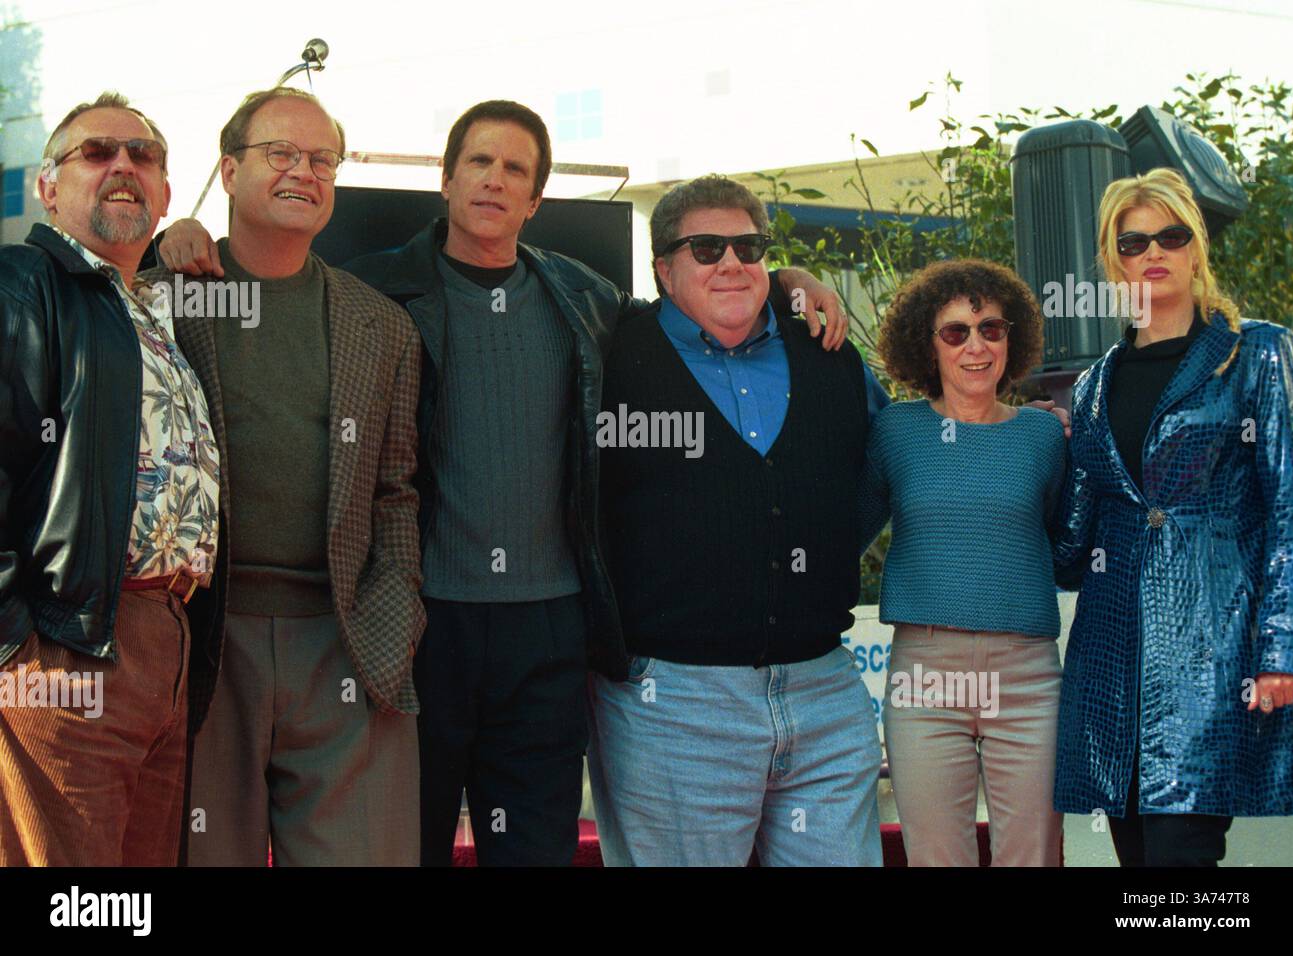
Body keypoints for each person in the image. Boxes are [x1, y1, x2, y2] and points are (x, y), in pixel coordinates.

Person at [159, 100, 847, 866]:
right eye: (479, 163)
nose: (494, 181)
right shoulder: (376, 293)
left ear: (537, 199)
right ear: (446, 180)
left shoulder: (586, 301)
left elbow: (697, 303)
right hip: (417, 625)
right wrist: (178, 240)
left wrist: (783, 276)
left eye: (515, 169)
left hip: (550, 631)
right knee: (395, 845)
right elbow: (264, 280)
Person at [145, 87, 424, 866]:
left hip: (348, 644)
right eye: (282, 154)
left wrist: (396, 609)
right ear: (229, 171)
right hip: (202, 643)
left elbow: (397, 488)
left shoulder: (382, 325)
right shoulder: (164, 301)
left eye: (322, 159)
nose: (306, 171)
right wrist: (165, 242)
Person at [587, 174, 888, 866]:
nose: (731, 262)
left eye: (750, 248)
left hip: (824, 694)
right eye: (706, 247)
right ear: (663, 267)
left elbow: (878, 476)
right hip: (672, 703)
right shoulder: (608, 355)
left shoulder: (829, 351)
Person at [1053, 167, 1293, 866]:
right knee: (1138, 861)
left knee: (1181, 856)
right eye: (1133, 243)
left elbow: (1291, 502)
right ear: (1112, 261)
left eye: (1171, 234)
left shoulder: (1253, 352)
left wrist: (1281, 650)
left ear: (1195, 249)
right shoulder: (1093, 384)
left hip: (1212, 649)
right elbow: (1073, 546)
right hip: (1110, 658)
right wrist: (1022, 450)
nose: (1153, 252)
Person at [0, 92, 218, 865]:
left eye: (143, 156)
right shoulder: (21, 284)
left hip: (167, 638)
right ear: (49, 186)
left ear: (164, 193)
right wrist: (17, 653)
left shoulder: (147, 305)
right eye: (96, 152)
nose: (122, 164)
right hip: (65, 646)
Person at [858, 259, 1065, 866]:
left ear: (1012, 338)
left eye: (992, 329)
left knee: (1034, 856)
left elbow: (1064, 537)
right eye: (955, 332)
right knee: (935, 857)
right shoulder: (896, 431)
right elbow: (843, 531)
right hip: (925, 674)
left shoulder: (1043, 436)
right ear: (928, 344)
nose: (976, 346)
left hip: (1026, 676)